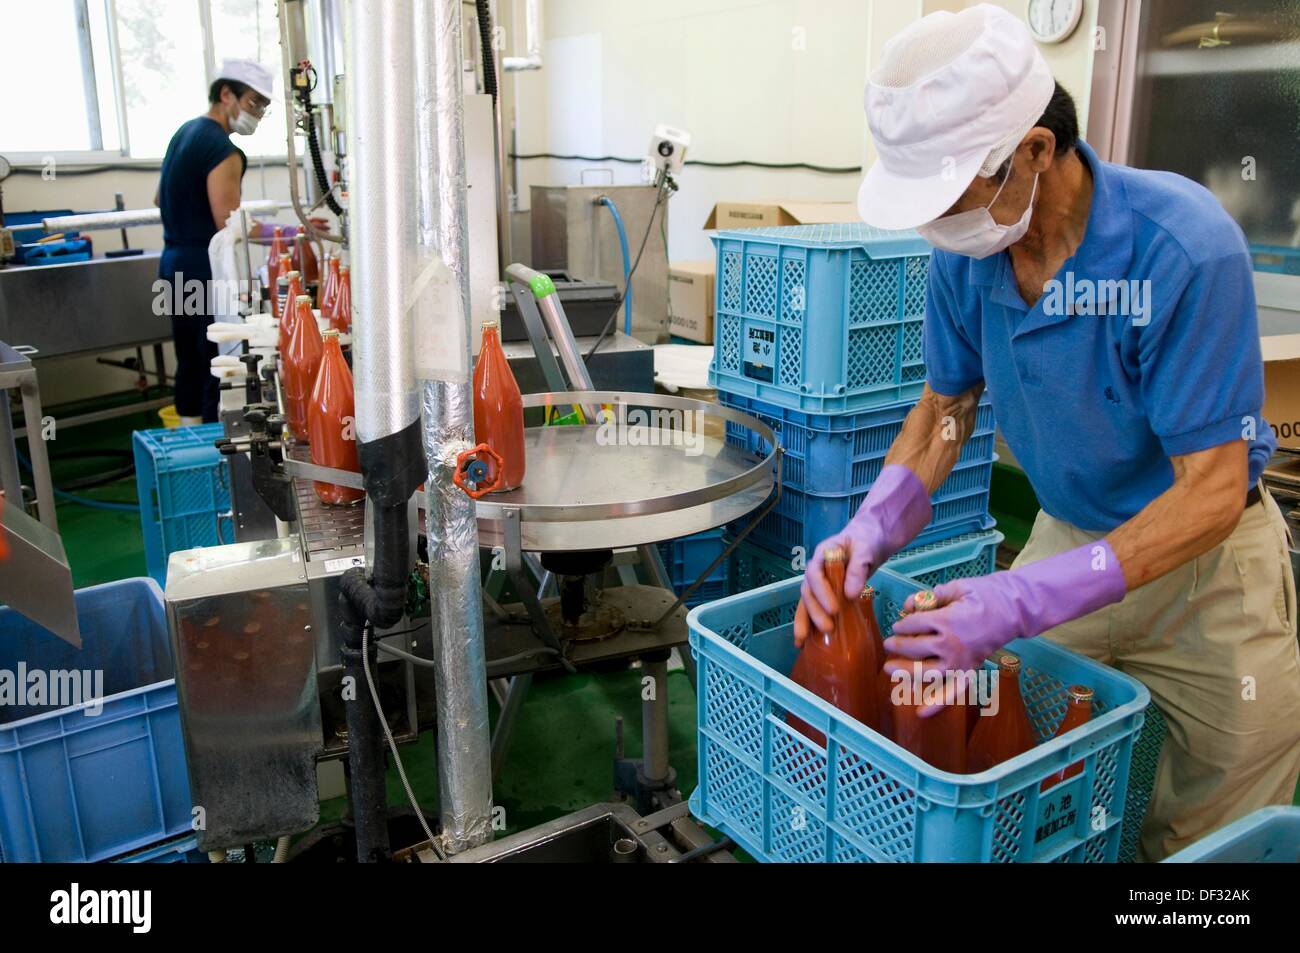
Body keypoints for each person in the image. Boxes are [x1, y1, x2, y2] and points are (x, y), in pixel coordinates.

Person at [794, 3, 1300, 861]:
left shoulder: (1181, 251)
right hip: (1068, 535)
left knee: (1209, 827)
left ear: (1034, 150)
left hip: (1207, 575)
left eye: (954, 198)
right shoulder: (971, 252)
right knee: (1031, 784)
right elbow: (946, 409)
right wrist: (871, 525)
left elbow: (1210, 491)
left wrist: (1024, 597)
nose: (942, 227)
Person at [155, 58, 272, 424]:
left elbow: (160, 198)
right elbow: (228, 223)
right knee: (215, 362)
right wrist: (282, 233)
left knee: (189, 359)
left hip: (173, 263)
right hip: (204, 268)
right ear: (226, 94)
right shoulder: (222, 149)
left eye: (263, 108)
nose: (256, 114)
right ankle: (213, 455)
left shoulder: (185, 133)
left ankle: (186, 448)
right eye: (253, 102)